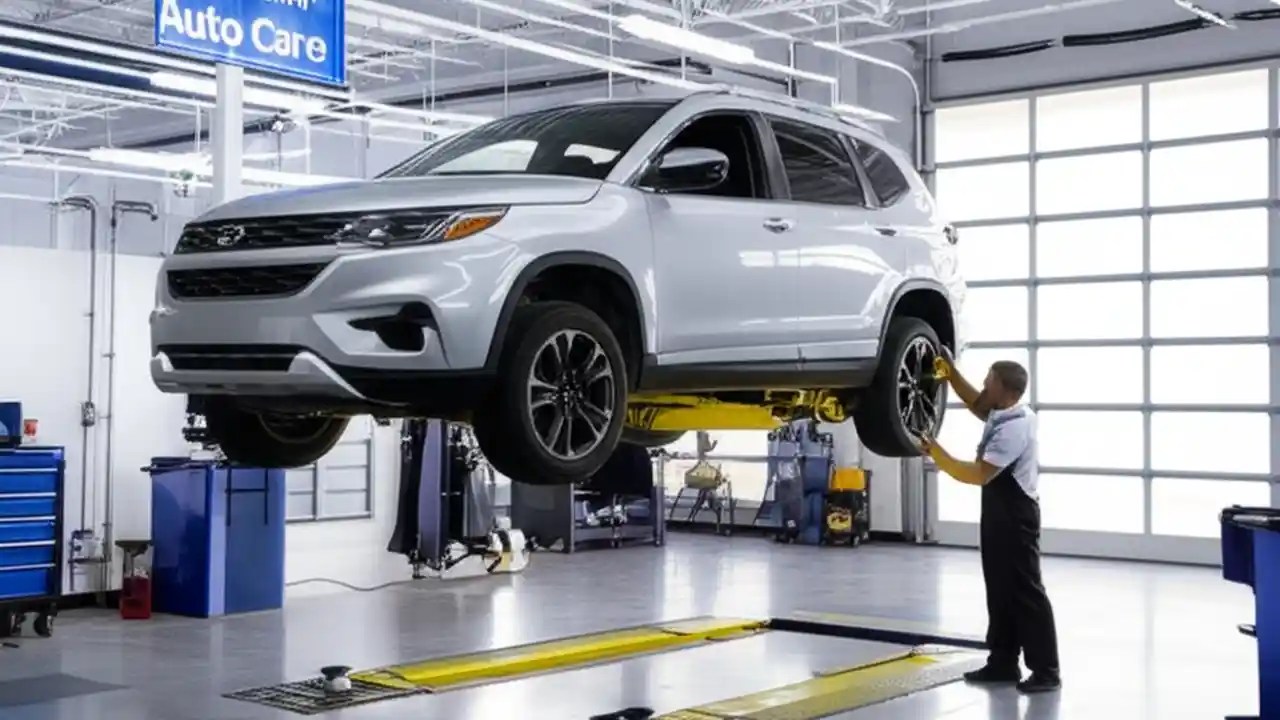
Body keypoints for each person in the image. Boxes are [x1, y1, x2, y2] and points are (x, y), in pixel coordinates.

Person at [916, 350, 1062, 694]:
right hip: (999, 514)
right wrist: (951, 375)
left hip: (1016, 517)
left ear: (1005, 390)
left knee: (1026, 592)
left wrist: (937, 453)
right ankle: (1002, 663)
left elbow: (978, 474)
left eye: (989, 381)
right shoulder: (1006, 412)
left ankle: (1046, 671)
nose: (983, 385)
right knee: (999, 589)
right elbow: (978, 405)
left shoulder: (1014, 429)